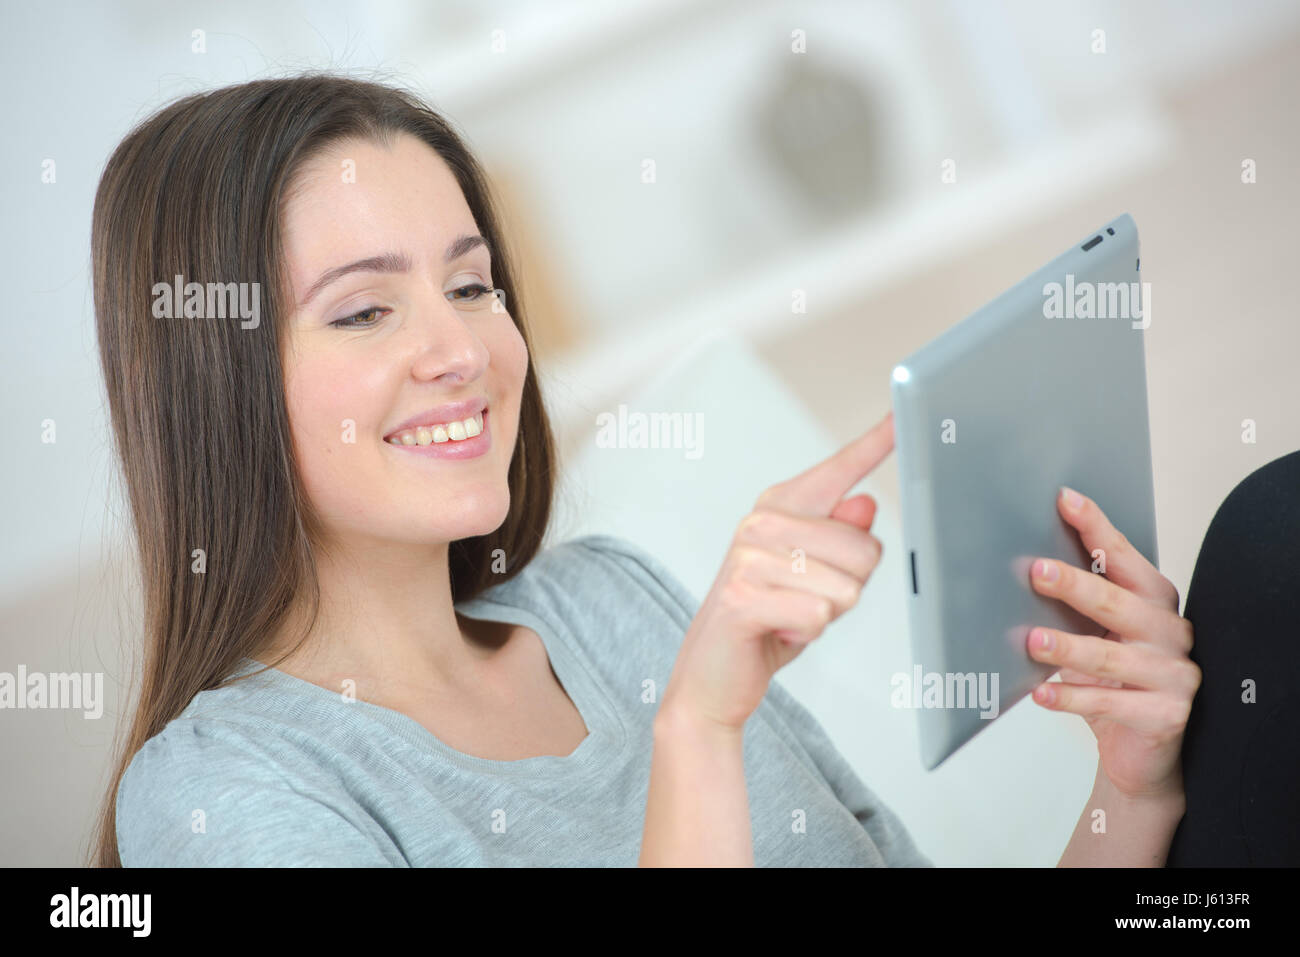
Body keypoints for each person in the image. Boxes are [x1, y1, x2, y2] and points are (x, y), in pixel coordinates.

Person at [91, 74, 1199, 868]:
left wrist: (1131, 787)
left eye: (473, 287)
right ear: (214, 385)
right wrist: (696, 735)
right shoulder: (222, 793)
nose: (466, 352)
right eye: (366, 310)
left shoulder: (615, 601)